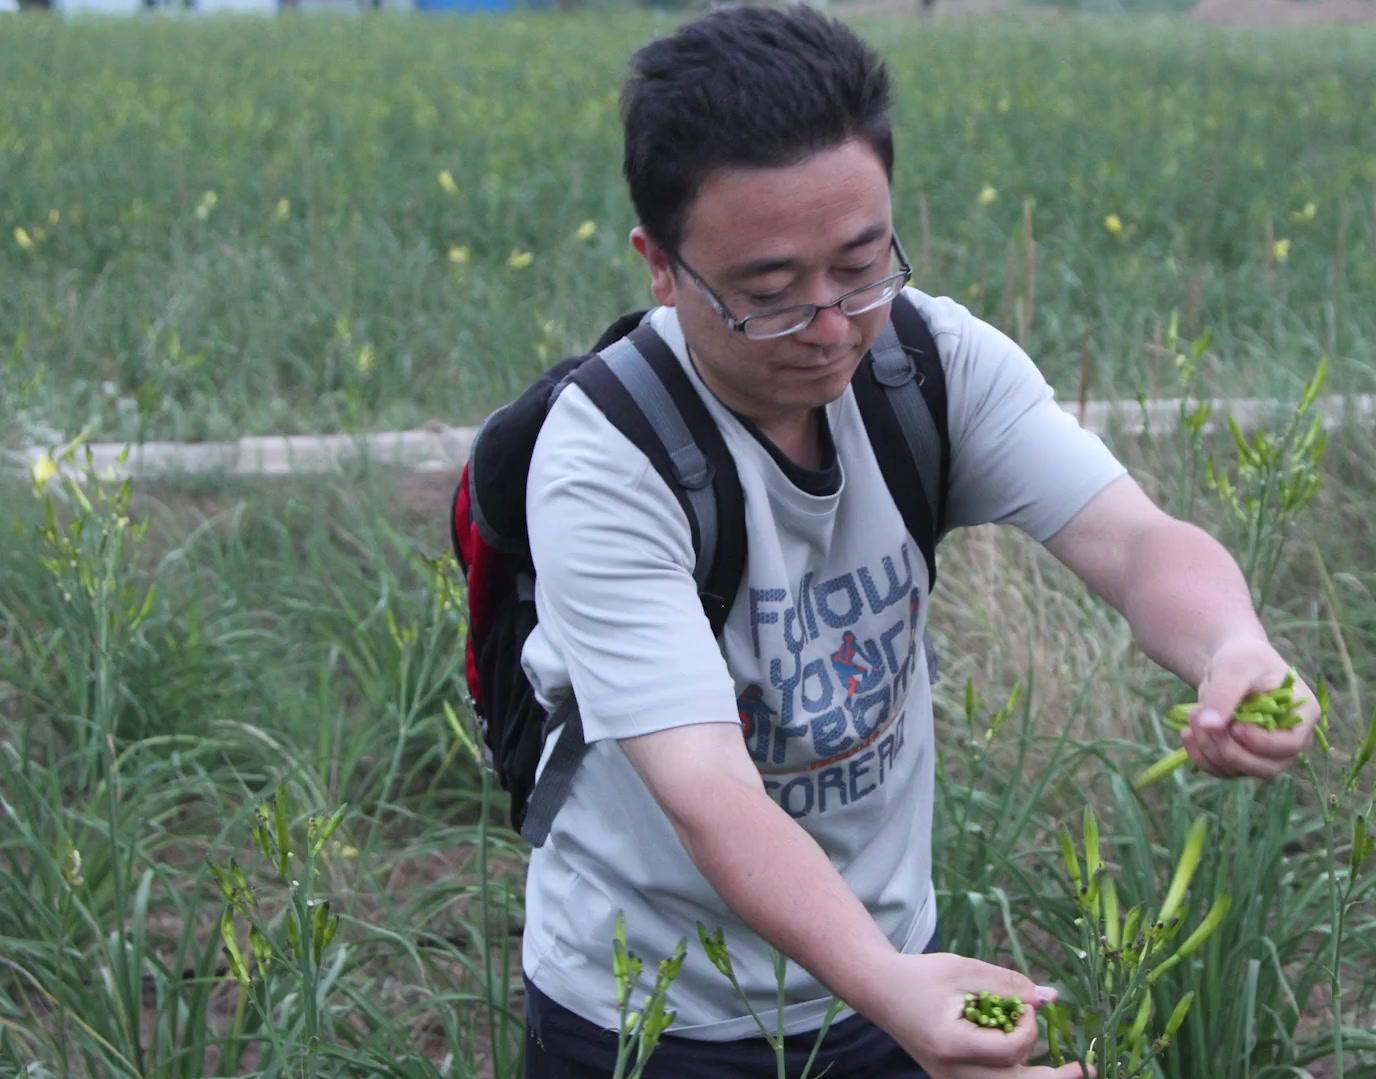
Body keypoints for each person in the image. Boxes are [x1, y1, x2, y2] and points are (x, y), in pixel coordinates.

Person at [516, 5, 1318, 1077]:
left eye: (858, 266)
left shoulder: (925, 363)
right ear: (659, 267)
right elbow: (709, 790)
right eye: (769, 294)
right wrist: (888, 984)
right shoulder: (605, 461)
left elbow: (1134, 542)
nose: (833, 325)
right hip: (654, 1008)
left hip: (895, 968)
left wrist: (1231, 647)